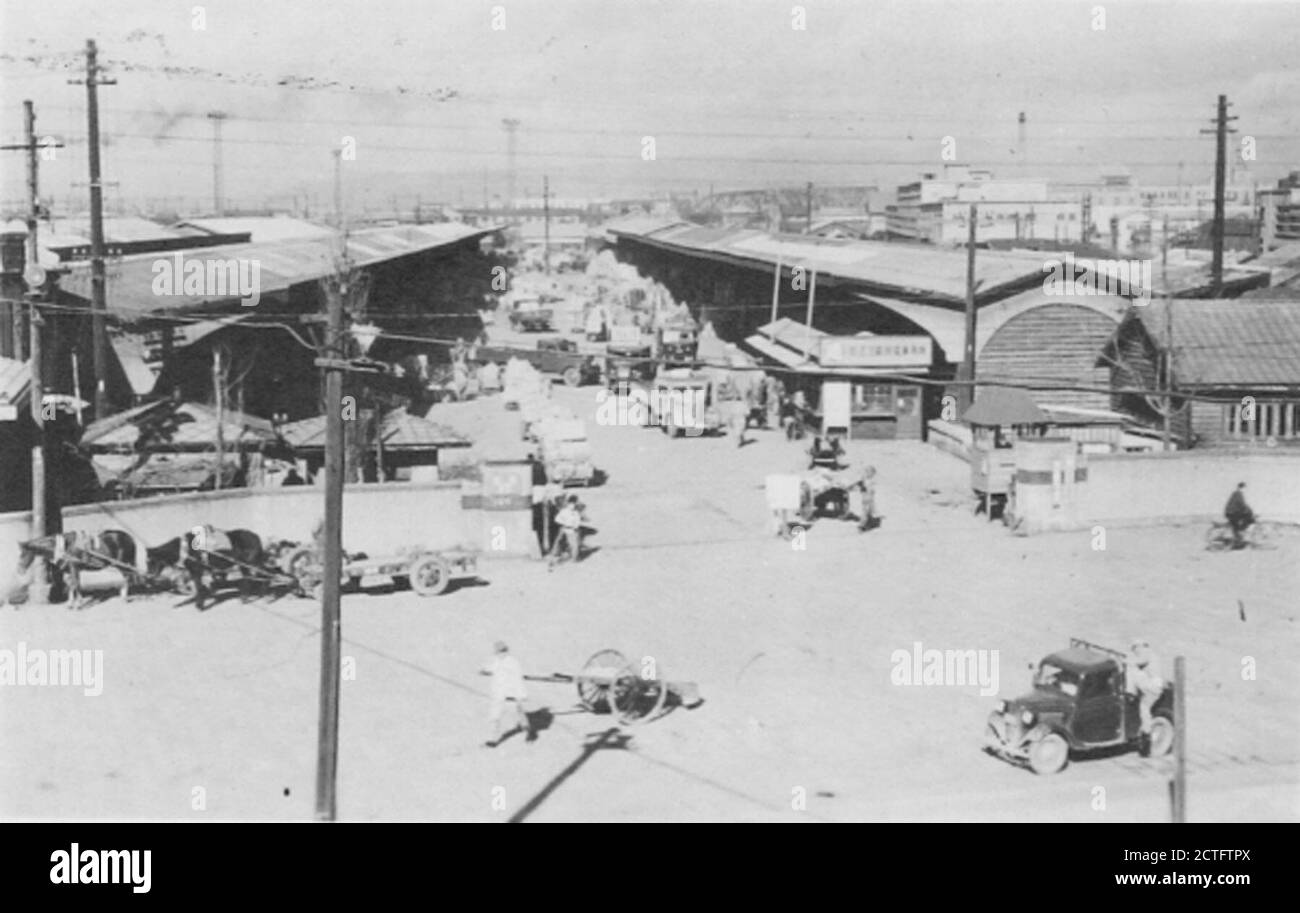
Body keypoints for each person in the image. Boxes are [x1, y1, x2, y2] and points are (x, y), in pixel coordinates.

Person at [479, 641, 531, 747]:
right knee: (494, 717)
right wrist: (484, 670)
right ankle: (492, 740)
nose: (500, 654)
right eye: (498, 652)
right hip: (498, 695)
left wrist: (521, 695)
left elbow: (518, 680)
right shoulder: (497, 661)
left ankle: (529, 732)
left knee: (519, 715)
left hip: (510, 696)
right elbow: (491, 668)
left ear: (506, 651)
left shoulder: (513, 662)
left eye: (502, 651)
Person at [1125, 639, 1164, 757]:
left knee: (1131, 671)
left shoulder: (1147, 653)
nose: (1135, 651)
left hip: (1152, 686)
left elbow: (1136, 662)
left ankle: (1130, 692)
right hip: (1153, 687)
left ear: (1140, 646)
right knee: (1144, 708)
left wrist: (1125, 660)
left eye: (1135, 648)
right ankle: (1146, 733)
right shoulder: (1150, 654)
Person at [549, 495, 585, 569]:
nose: (572, 505)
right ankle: (557, 557)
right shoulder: (567, 511)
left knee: (573, 544)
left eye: (573, 504)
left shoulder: (574, 512)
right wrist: (565, 524)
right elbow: (557, 519)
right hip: (567, 529)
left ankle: (571, 558)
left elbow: (577, 522)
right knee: (567, 543)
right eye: (572, 504)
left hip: (570, 529)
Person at [1224, 482, 1255, 549]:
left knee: (1239, 524)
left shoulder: (1236, 493)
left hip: (1231, 512)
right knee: (1245, 521)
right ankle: (1236, 541)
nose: (1245, 490)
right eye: (1244, 488)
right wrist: (1249, 510)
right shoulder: (1238, 494)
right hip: (1231, 512)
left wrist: (1247, 509)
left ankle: (1239, 539)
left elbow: (1242, 505)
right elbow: (1242, 504)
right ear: (1242, 488)